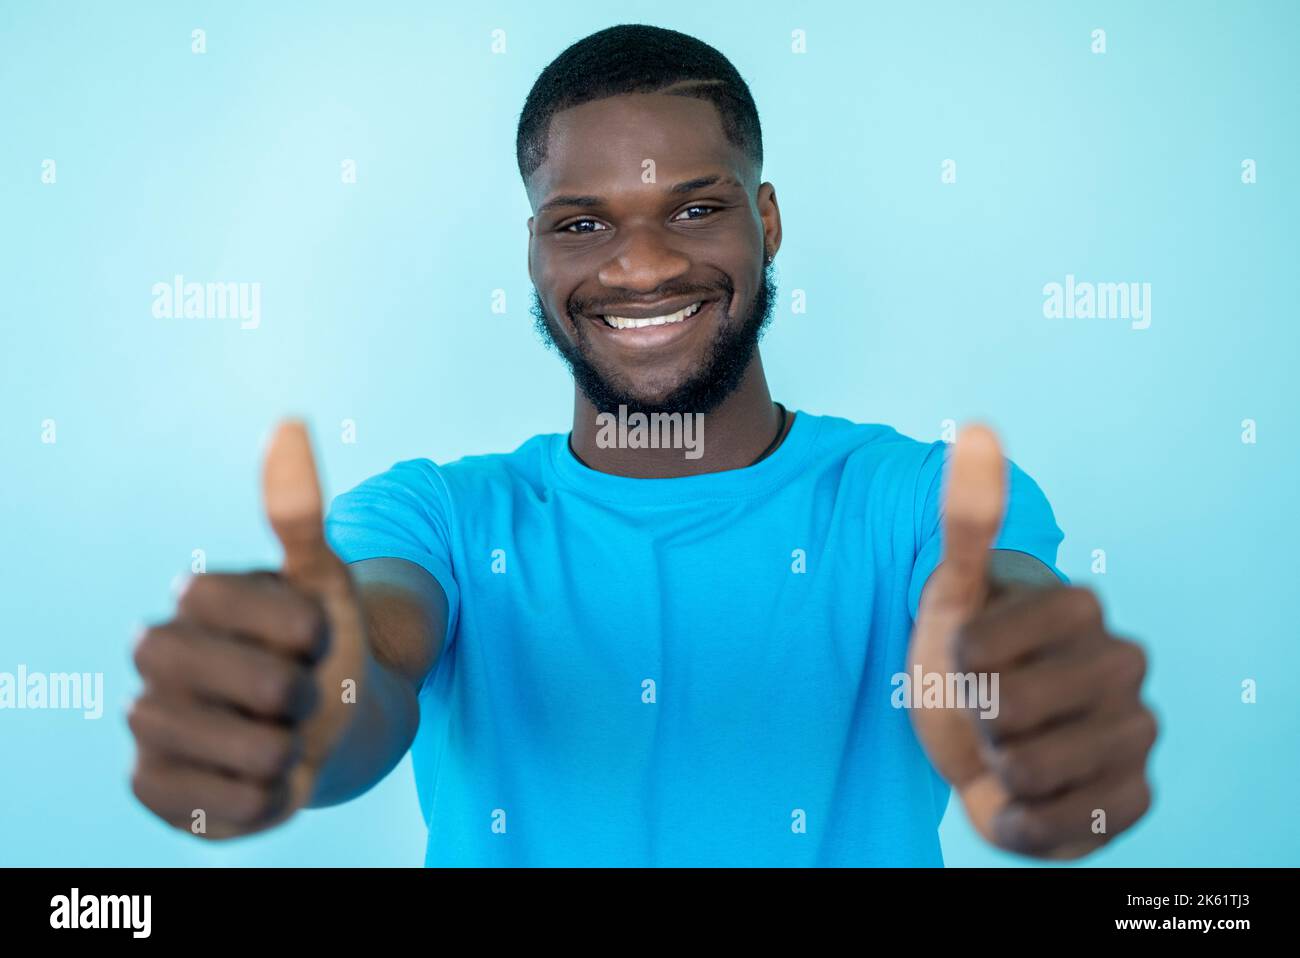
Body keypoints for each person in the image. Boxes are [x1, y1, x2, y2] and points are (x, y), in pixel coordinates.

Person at [128, 24, 1156, 866]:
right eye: (581, 224)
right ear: (532, 252)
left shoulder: (922, 500)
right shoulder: (434, 516)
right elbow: (367, 657)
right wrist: (299, 703)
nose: (643, 264)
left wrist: (1024, 694)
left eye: (695, 208)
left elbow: (997, 618)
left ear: (766, 220)